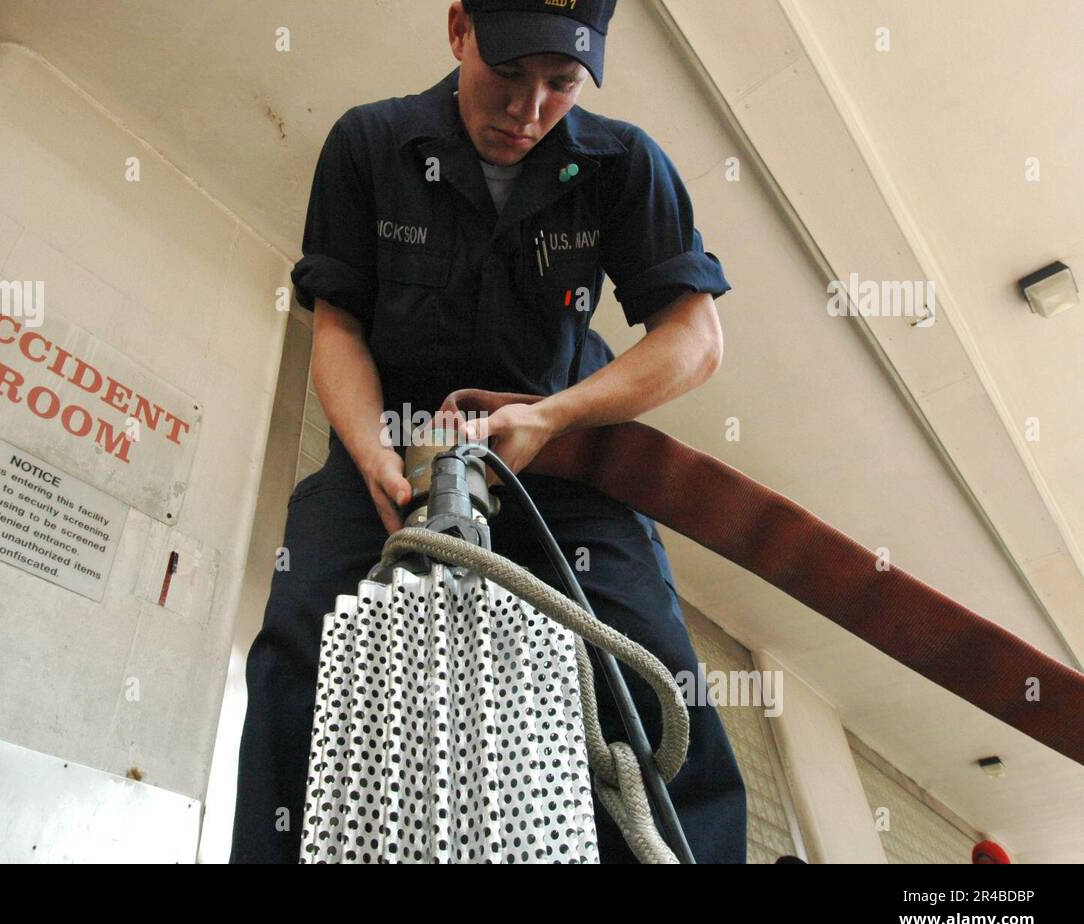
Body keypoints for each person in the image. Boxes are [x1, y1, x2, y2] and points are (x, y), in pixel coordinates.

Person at [230, 0, 747, 863]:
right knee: (300, 646)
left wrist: (551, 416)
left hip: (558, 463)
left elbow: (695, 339)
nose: (530, 110)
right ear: (459, 28)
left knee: (652, 674)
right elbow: (338, 327)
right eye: (509, 74)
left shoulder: (623, 165)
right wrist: (370, 454)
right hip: (389, 454)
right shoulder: (369, 143)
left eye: (562, 83)